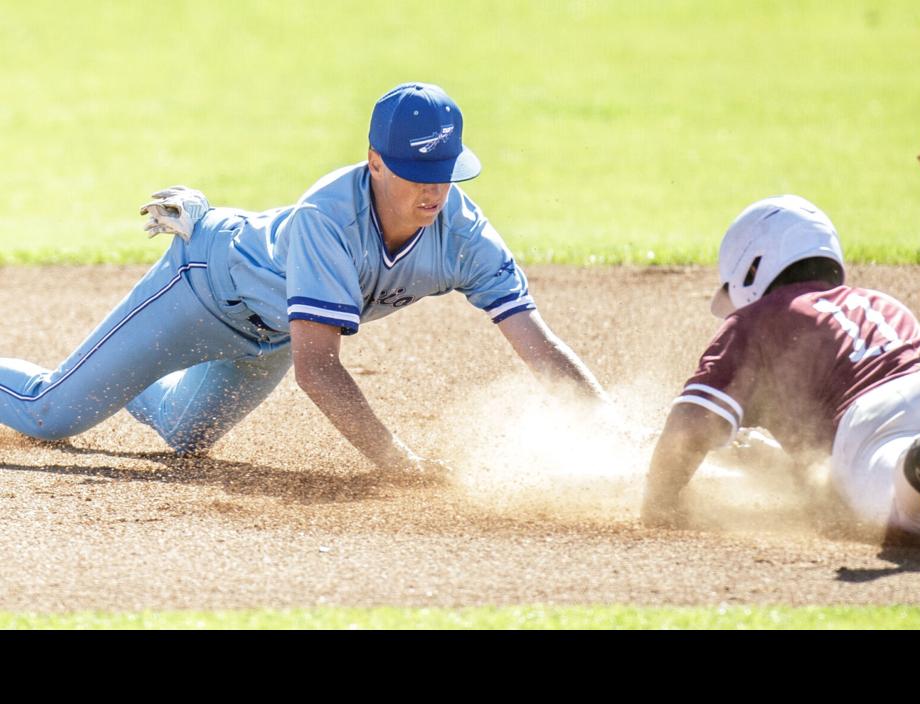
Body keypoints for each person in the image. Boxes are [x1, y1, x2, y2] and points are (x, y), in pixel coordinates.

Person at [1, 82, 623, 480]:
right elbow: (318, 368)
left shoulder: (463, 234)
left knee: (183, 438)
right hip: (200, 289)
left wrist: (614, 435)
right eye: (414, 170)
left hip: (274, 334)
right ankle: (105, 370)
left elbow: (538, 345)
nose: (434, 188)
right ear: (375, 160)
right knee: (52, 412)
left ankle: (121, 375)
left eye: (444, 170)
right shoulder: (329, 217)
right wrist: (397, 464)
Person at [641, 77, 920, 552]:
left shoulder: (762, 318)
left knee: (904, 508)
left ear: (754, 269)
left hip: (873, 423)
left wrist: (658, 501)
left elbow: (689, 425)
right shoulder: (877, 303)